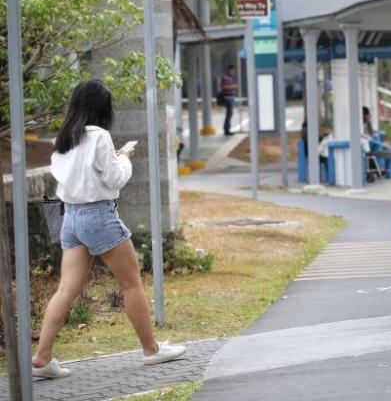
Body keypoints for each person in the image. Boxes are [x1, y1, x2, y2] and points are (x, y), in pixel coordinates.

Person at [33, 80, 186, 379]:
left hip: (70, 217)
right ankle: (151, 349)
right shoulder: (100, 136)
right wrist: (124, 159)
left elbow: (72, 175)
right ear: (102, 107)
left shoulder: (64, 137)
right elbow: (115, 179)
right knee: (131, 283)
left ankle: (42, 357)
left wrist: (112, 160)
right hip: (98, 216)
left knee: (66, 289)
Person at [220, 65, 238, 136]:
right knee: (229, 114)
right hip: (227, 98)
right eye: (232, 70)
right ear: (228, 70)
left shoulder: (230, 78)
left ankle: (227, 129)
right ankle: (226, 130)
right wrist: (234, 86)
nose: (233, 72)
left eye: (234, 71)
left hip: (231, 98)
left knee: (230, 114)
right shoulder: (225, 78)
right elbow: (224, 87)